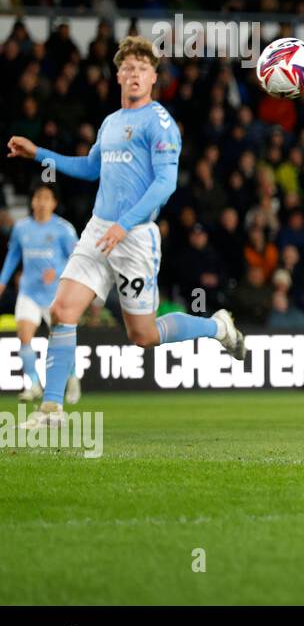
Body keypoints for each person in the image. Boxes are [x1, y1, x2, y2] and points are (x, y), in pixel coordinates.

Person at [7, 36, 246, 430]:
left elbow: (165, 184)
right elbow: (89, 168)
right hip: (100, 229)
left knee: (144, 335)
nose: (134, 74)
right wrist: (39, 154)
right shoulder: (111, 122)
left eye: (142, 68)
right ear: (118, 75)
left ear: (154, 77)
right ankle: (51, 410)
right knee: (62, 310)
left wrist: (125, 223)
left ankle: (218, 327)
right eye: (128, 68)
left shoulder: (160, 122)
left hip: (135, 236)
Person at [0, 187, 78, 401]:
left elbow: (78, 259)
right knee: (24, 336)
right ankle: (33, 383)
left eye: (46, 198)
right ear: (32, 201)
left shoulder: (64, 229)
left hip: (56, 295)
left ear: (54, 203)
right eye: (38, 198)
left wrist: (58, 272)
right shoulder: (21, 227)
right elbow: (13, 255)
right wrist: (2, 281)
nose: (41, 202)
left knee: (60, 341)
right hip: (29, 292)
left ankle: (72, 377)